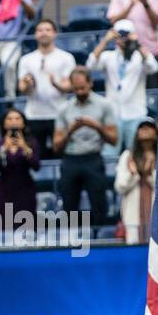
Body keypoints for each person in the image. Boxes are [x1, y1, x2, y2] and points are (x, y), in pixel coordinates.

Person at [54, 66, 117, 230]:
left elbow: (114, 140)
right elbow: (56, 145)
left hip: (93, 159)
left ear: (91, 83)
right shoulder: (64, 109)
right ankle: (70, 240)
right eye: (76, 88)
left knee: (99, 203)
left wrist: (97, 126)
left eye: (83, 88)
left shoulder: (104, 105)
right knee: (68, 205)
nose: (80, 91)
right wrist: (71, 130)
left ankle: (101, 238)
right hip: (70, 159)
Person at [90, 20, 158, 151]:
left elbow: (153, 67)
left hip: (135, 112)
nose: (122, 38)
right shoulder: (108, 56)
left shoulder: (140, 56)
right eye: (119, 35)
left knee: (134, 153)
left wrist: (137, 43)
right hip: (113, 114)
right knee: (109, 154)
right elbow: (90, 65)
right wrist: (106, 40)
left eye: (126, 35)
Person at [17, 19, 76, 160]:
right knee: (36, 158)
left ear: (55, 33)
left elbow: (70, 87)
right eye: (40, 30)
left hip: (59, 114)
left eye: (48, 30)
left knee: (63, 155)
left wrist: (55, 83)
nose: (44, 33)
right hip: (34, 115)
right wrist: (28, 84)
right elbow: (21, 88)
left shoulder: (66, 58)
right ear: (35, 34)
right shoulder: (26, 59)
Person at [0, 107, 41, 227]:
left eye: (17, 118)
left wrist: (25, 148)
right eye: (10, 119)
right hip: (3, 191)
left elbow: (36, 165)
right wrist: (4, 149)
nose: (14, 121)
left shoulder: (31, 143)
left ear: (23, 122)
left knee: (25, 229)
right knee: (2, 229)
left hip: (25, 190)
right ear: (4, 123)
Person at [114, 119, 158, 243]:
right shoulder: (127, 156)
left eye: (149, 127)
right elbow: (120, 186)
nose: (145, 129)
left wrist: (150, 174)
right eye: (142, 127)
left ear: (156, 133)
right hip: (132, 217)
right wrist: (133, 175)